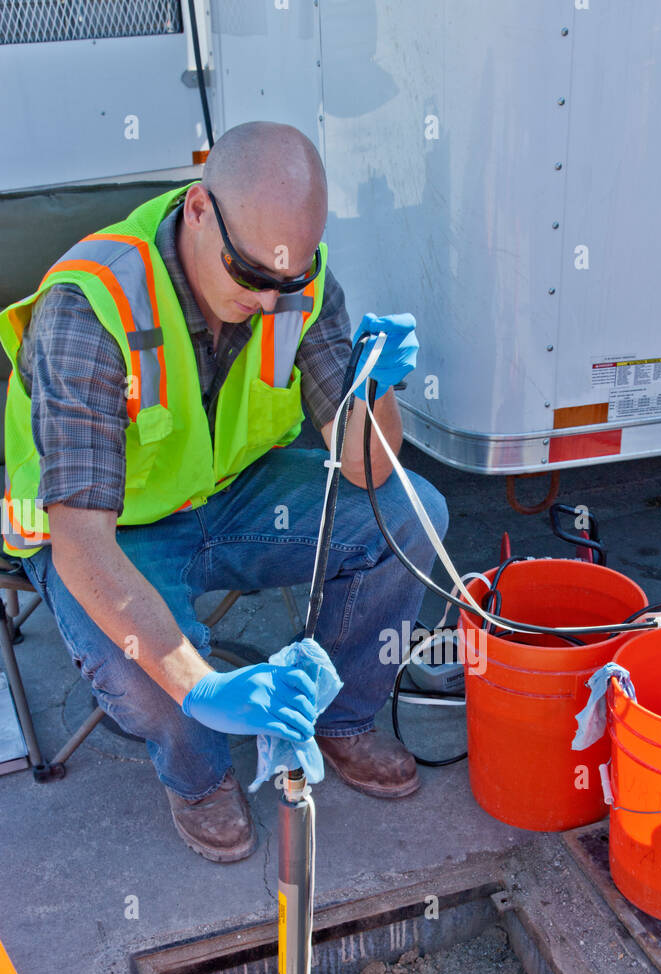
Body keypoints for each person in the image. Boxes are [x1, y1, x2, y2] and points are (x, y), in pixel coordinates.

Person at [0, 122, 448, 861]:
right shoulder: (92, 310)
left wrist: (377, 388)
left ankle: (341, 720)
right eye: (251, 275)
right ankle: (201, 774)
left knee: (413, 515)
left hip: (230, 500)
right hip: (111, 537)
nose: (271, 299)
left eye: (289, 281)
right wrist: (200, 686)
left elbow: (368, 468)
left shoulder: (297, 277)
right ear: (200, 208)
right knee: (145, 674)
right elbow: (81, 542)